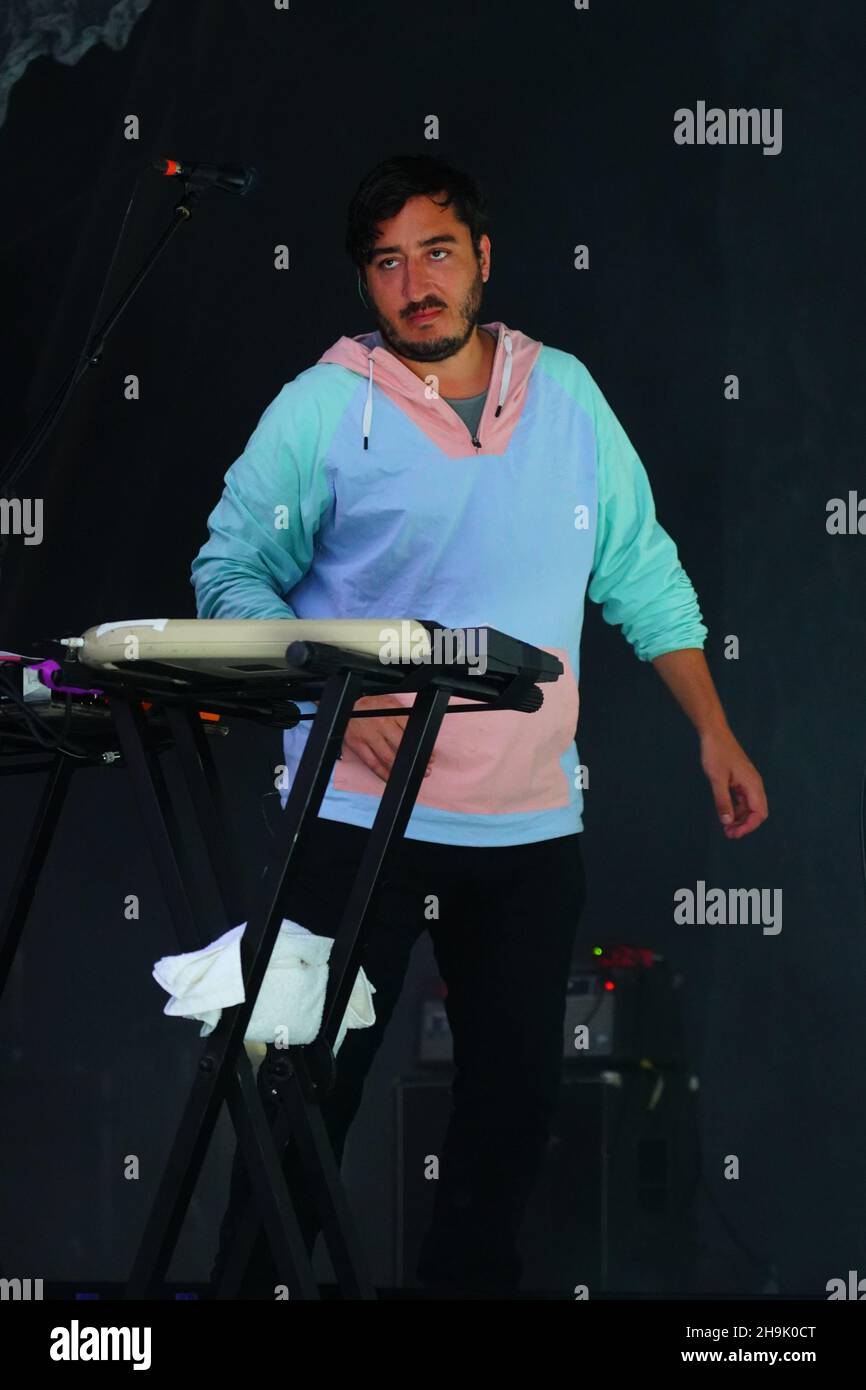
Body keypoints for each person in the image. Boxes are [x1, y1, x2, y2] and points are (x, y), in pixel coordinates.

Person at [190, 153, 768, 1299]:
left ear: (482, 260)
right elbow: (230, 572)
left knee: (508, 1118)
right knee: (301, 1096)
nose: (415, 282)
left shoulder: (567, 397)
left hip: (523, 829)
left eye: (437, 251)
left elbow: (641, 571)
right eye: (387, 262)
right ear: (365, 283)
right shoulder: (321, 408)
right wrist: (322, 689)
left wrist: (713, 727)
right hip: (351, 819)